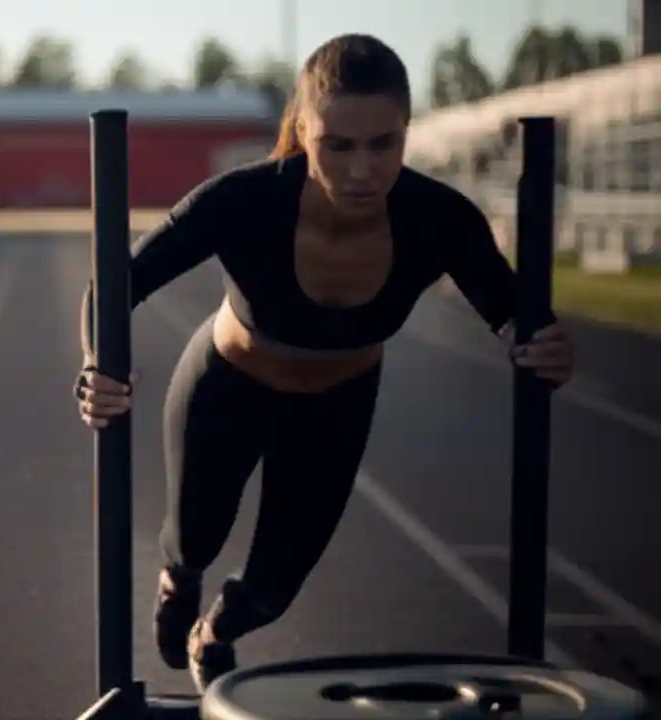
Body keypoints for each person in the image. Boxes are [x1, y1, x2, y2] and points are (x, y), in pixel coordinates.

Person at [71, 33, 575, 692]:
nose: (363, 169)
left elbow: (517, 320)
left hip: (335, 406)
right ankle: (179, 582)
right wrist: (96, 365)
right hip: (226, 388)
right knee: (194, 538)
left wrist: (546, 348)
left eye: (383, 144)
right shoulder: (244, 202)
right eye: (338, 145)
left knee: (276, 587)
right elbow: (117, 285)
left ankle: (214, 632)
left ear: (405, 132)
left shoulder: (438, 220)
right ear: (302, 131)